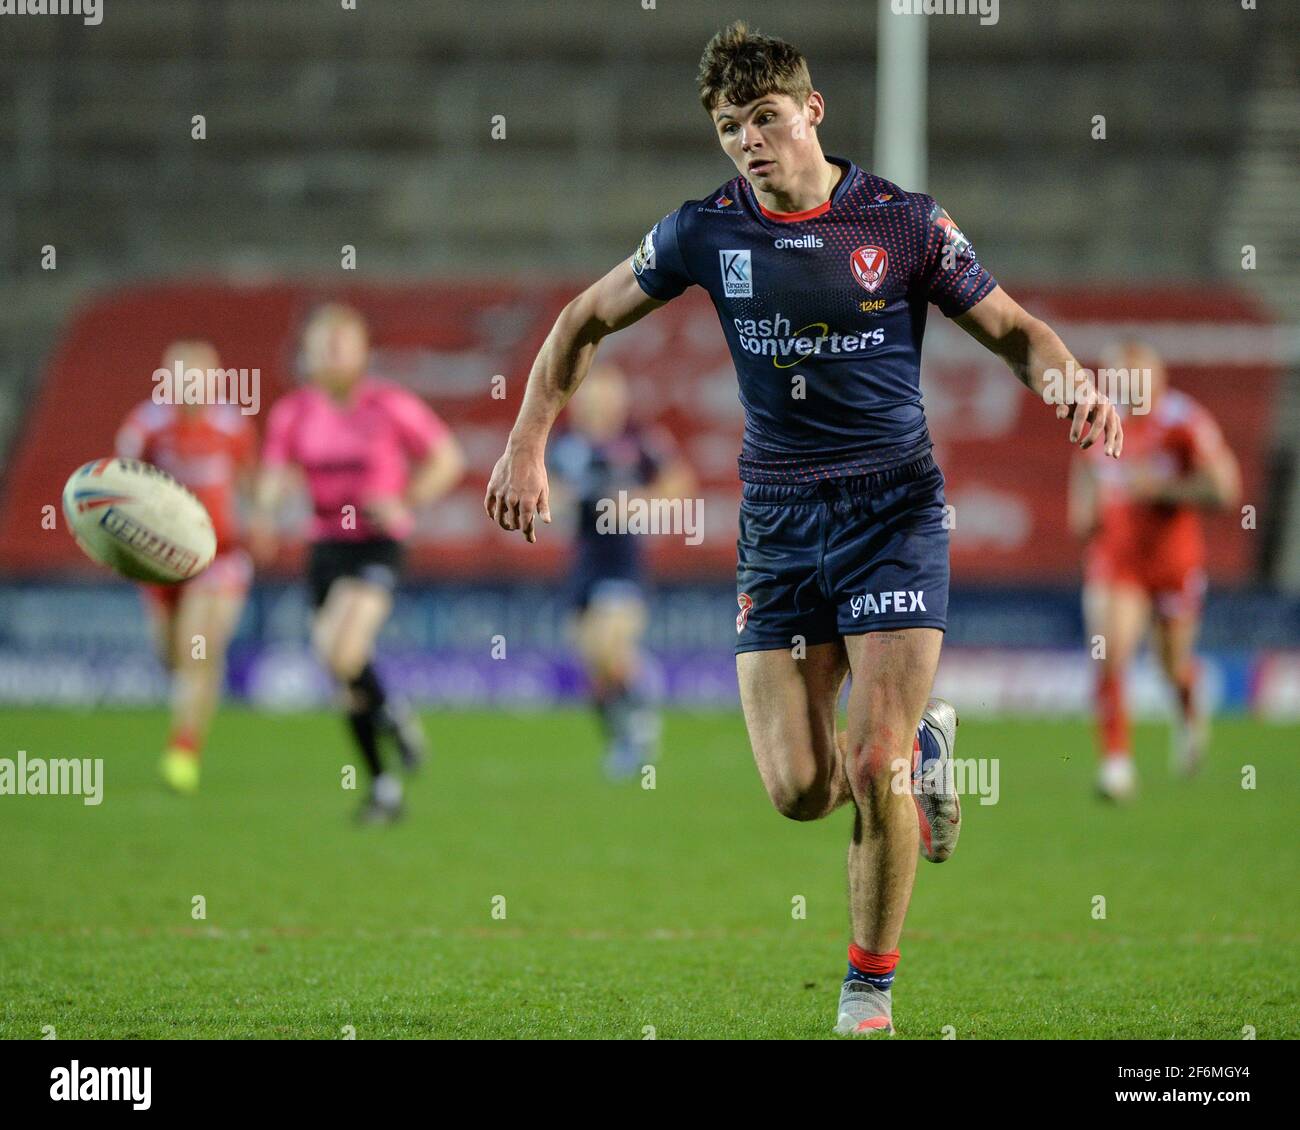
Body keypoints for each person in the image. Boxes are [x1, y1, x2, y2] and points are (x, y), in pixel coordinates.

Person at [484, 22, 1121, 1035]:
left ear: (811, 110)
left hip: (893, 513)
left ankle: (867, 987)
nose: (748, 140)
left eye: (766, 118)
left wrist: (1070, 381)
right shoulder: (703, 231)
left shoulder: (902, 223)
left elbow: (1012, 329)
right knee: (796, 789)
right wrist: (526, 442)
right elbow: (581, 320)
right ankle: (927, 748)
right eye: (730, 126)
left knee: (871, 768)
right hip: (778, 525)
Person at [252, 303, 465, 823]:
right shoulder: (293, 413)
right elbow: (275, 475)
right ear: (307, 355)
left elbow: (447, 458)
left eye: (341, 343)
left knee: (343, 651)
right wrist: (263, 511)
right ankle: (384, 784)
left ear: (363, 351)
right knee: (338, 667)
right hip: (325, 546)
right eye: (322, 345)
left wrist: (406, 501)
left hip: (376, 541)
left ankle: (389, 729)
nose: (332, 354)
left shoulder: (389, 405)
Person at [1070, 341, 1239, 801]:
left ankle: (1188, 704)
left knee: (1172, 666)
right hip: (1116, 562)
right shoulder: (1100, 419)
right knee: (1110, 654)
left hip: (1174, 563)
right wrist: (1083, 514)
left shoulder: (1184, 421)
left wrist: (1164, 487)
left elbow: (1225, 488)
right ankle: (1116, 764)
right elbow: (1085, 470)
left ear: (1158, 378)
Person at [115, 340, 257, 795]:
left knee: (199, 645)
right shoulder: (145, 426)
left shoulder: (233, 427)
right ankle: (190, 720)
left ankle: (183, 749)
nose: (192, 386)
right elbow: (120, 487)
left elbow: (251, 483)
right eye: (182, 376)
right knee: (172, 654)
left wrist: (264, 520)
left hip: (219, 556)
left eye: (201, 376)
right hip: (160, 561)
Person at [548, 363, 696, 778]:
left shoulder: (641, 442)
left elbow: (679, 484)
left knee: (610, 647)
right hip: (583, 561)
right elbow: (548, 491)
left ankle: (642, 711)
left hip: (622, 558)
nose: (596, 405)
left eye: (605, 396)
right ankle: (621, 738)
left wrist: (641, 503)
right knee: (591, 661)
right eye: (589, 396)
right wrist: (560, 503)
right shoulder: (564, 446)